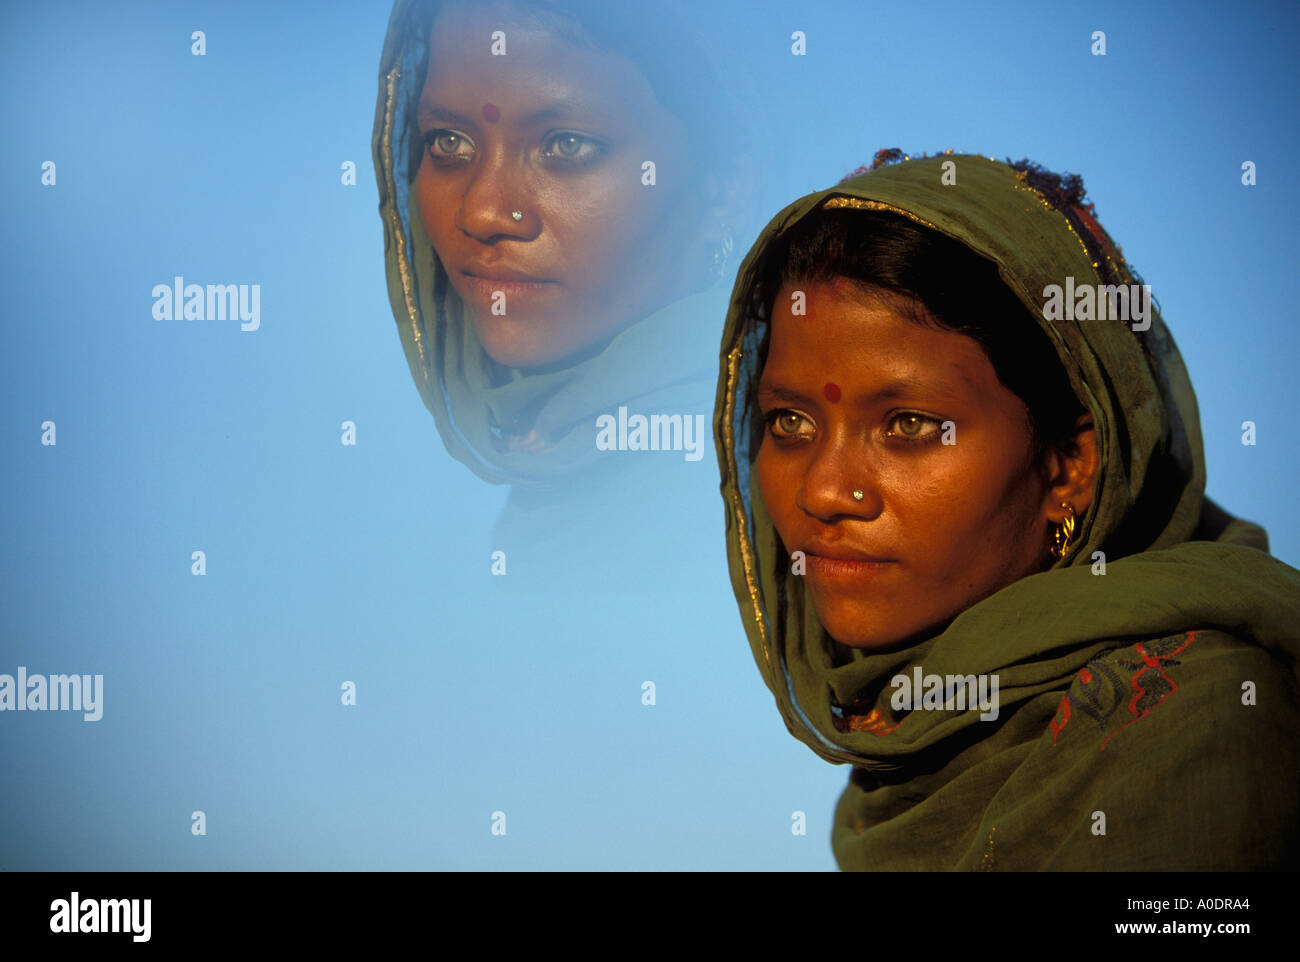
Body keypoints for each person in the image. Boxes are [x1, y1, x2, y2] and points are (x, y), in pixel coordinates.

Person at [714, 149, 1300, 870]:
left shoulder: (1198, 723)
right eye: (789, 423)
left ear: (1069, 466)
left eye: (909, 425)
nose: (824, 492)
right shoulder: (902, 763)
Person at [372, 0, 753, 592]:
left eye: (567, 146)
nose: (483, 211)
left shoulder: (764, 498)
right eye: (448, 142)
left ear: (724, 190)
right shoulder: (550, 461)